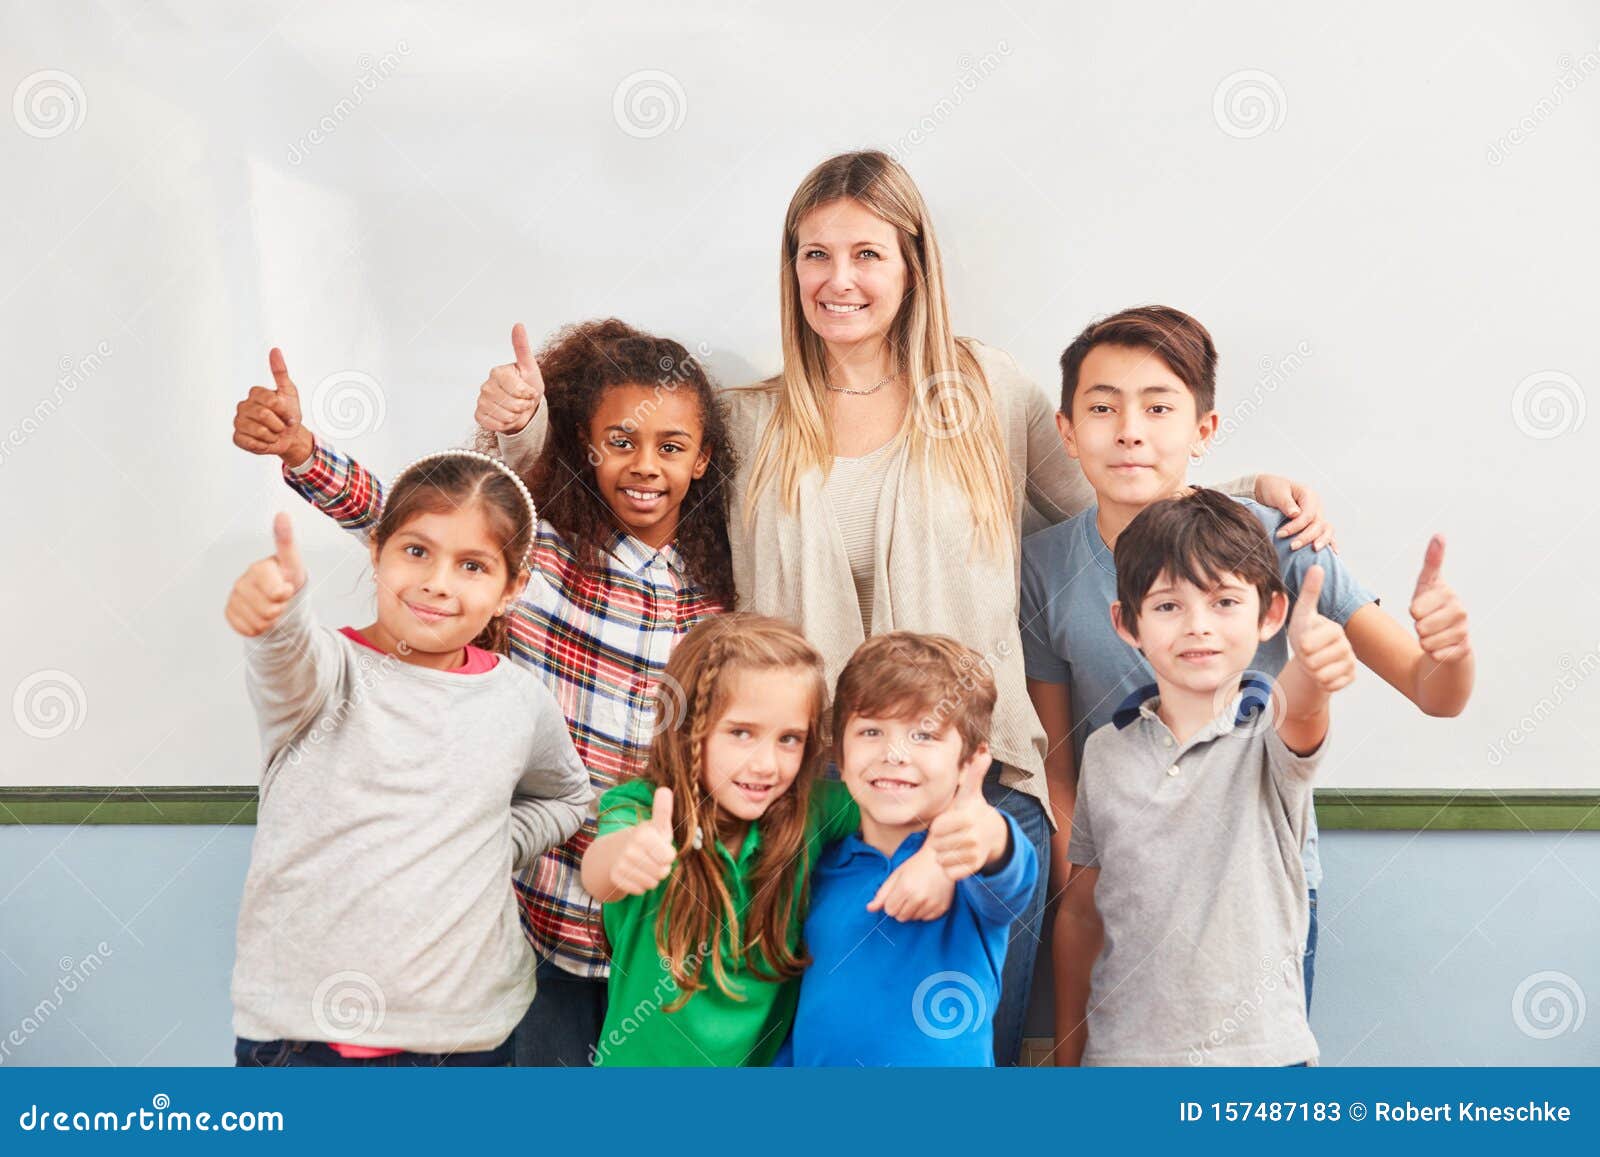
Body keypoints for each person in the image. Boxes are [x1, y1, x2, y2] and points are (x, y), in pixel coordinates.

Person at [479, 152, 1333, 1063]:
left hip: (979, 788)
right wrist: (515, 426)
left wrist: (1241, 496)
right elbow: (613, 496)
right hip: (808, 810)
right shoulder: (749, 418)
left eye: (866, 255)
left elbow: (1111, 501)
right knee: (818, 1063)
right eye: (814, 255)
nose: (838, 280)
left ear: (913, 265)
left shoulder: (987, 392)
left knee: (958, 1072)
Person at [231, 323, 734, 1065]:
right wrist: (304, 453)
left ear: (703, 460)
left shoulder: (718, 596)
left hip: (652, 926)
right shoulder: (543, 560)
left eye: (670, 446)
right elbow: (406, 519)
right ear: (585, 448)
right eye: (620, 440)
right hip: (536, 923)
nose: (644, 465)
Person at [1021, 305, 1474, 1045]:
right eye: (1102, 407)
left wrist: (1449, 652)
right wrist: (1093, 884)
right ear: (1068, 431)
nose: (1130, 429)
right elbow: (1059, 761)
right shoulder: (1042, 566)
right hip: (1124, 891)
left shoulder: (1273, 536)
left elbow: (1432, 691)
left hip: (1256, 895)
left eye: (1159, 406)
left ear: (1203, 430)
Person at [227, 452, 591, 1066]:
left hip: (469, 1040)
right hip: (300, 1041)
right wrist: (276, 615)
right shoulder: (327, 673)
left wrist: (493, 841)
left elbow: (568, 797)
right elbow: (285, 659)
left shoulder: (519, 699)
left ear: (511, 590)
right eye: (416, 552)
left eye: (472, 565)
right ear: (377, 551)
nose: (438, 583)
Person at [1056, 488, 1356, 1065]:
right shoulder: (1104, 752)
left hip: (1262, 1059)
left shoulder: (1270, 729)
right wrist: (1068, 1058)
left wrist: (1314, 666)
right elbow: (1080, 911)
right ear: (1128, 623)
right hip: (1123, 1060)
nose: (1198, 626)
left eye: (1223, 602)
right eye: (1168, 606)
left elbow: (1305, 706)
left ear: (1270, 614)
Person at [579, 615, 951, 1066]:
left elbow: (924, 803)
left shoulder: (811, 810)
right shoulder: (642, 807)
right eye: (741, 733)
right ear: (688, 729)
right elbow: (601, 872)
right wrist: (626, 857)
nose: (766, 765)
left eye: (789, 739)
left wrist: (936, 857)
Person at [780, 632, 1038, 1066]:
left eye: (924, 734)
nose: (894, 752)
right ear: (839, 756)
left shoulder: (969, 868)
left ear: (970, 761)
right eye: (871, 730)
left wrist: (947, 852)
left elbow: (1004, 856)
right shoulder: (818, 868)